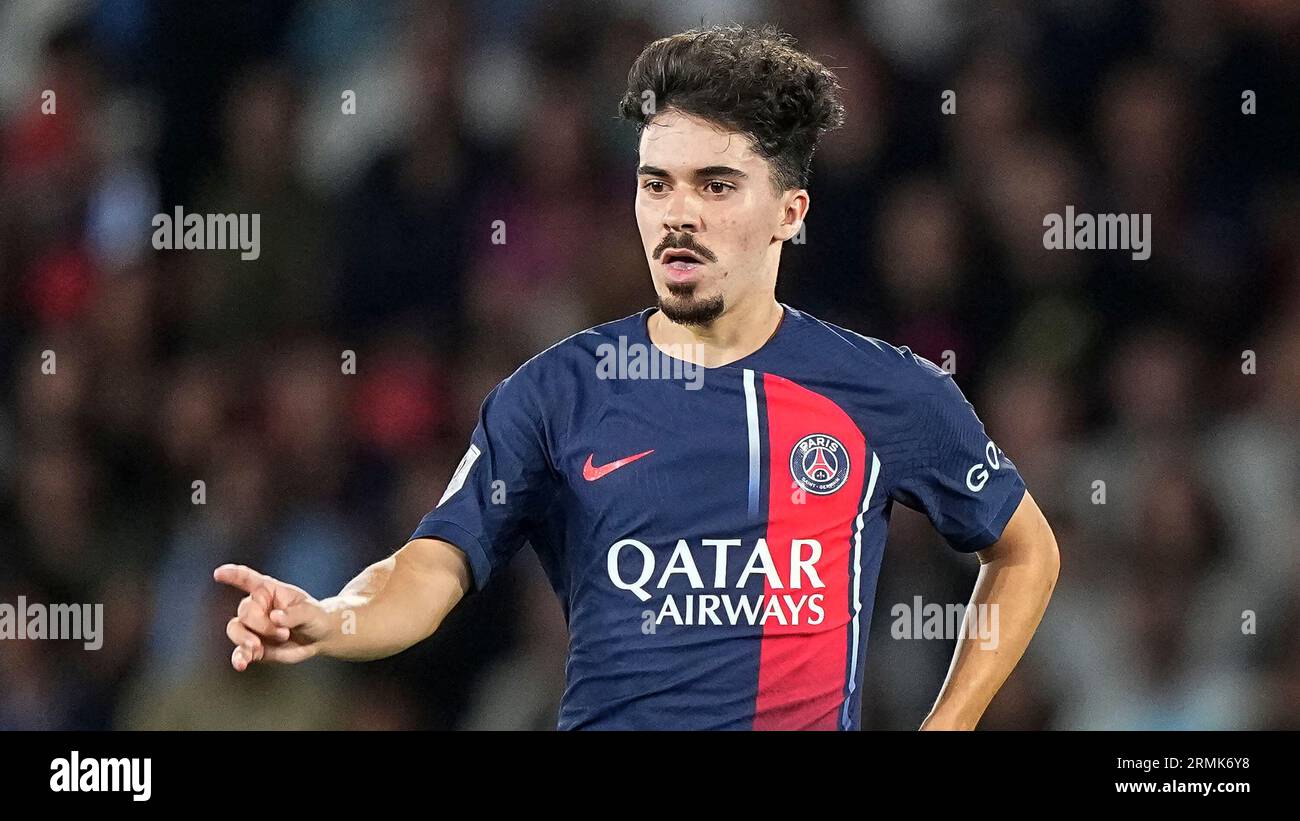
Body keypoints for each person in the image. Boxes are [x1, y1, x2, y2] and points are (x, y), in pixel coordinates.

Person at [214, 24, 1059, 730]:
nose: (679, 213)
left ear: (789, 213)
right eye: (656, 184)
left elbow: (1025, 548)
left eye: (716, 184)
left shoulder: (886, 392)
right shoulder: (554, 393)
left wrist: (949, 724)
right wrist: (334, 616)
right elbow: (432, 566)